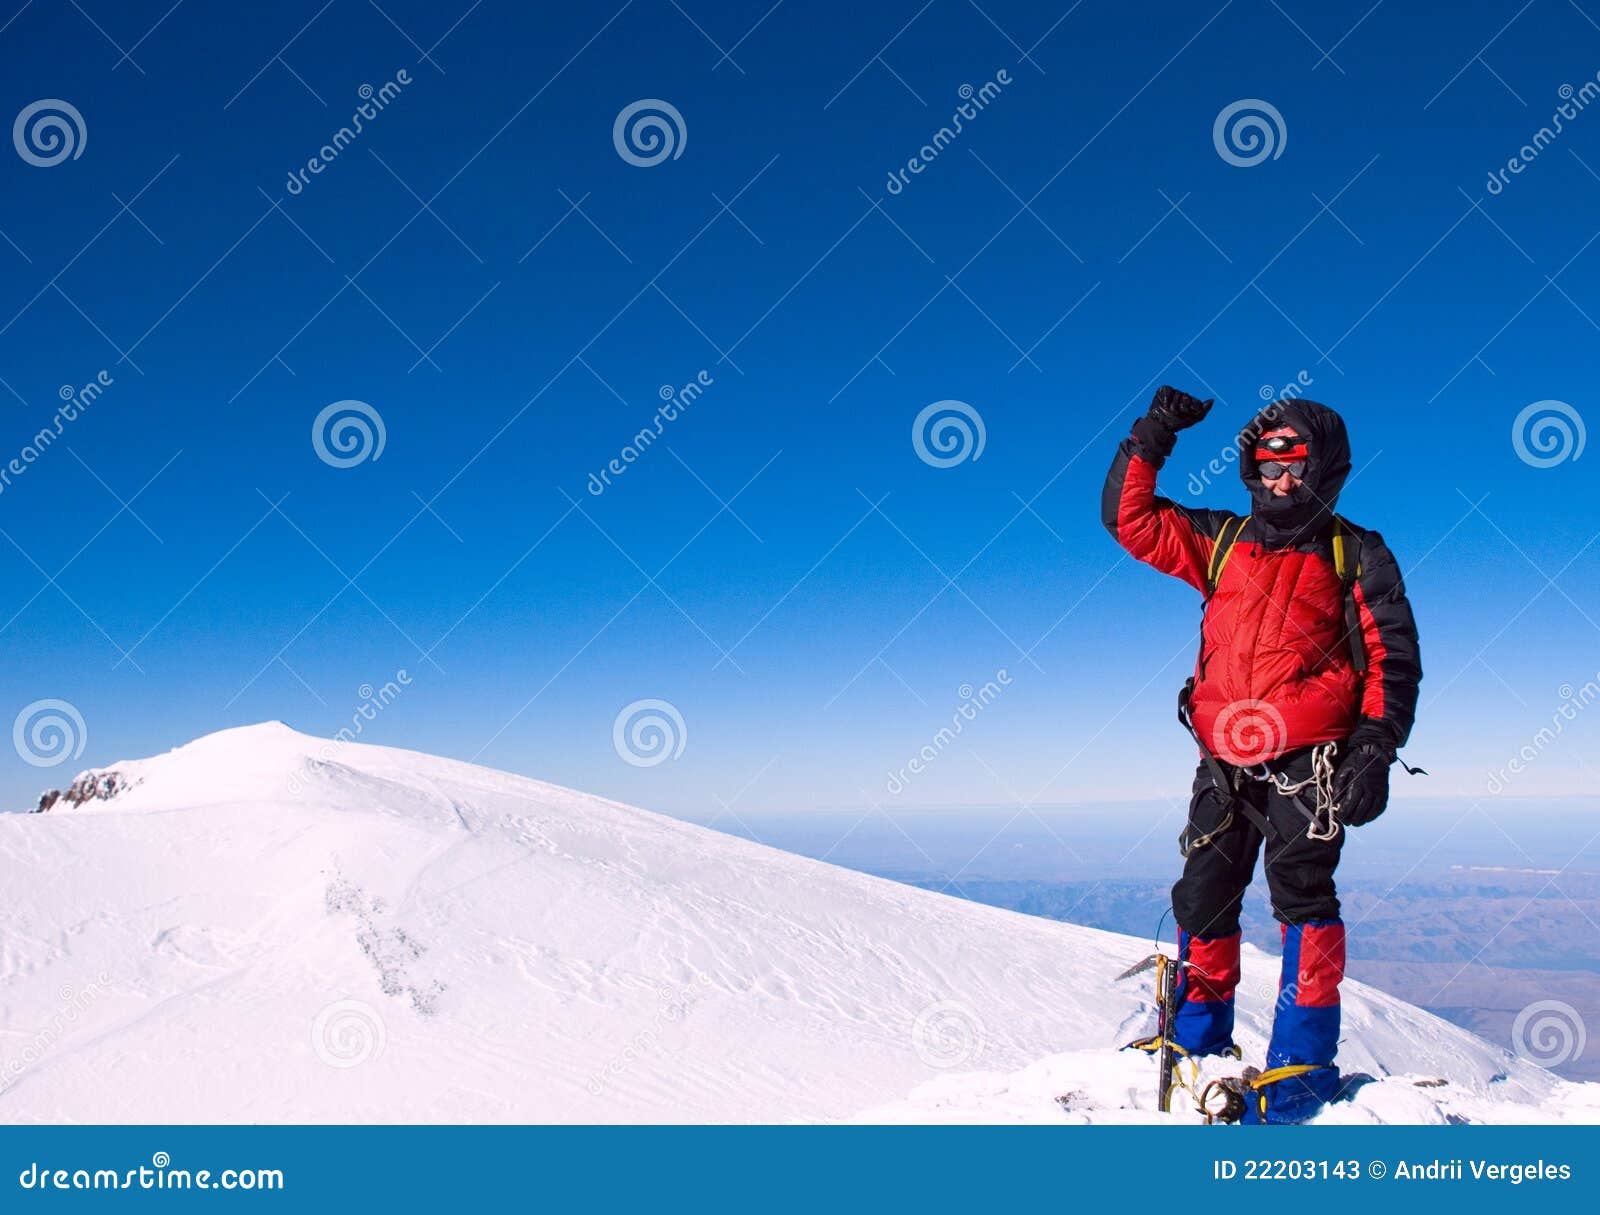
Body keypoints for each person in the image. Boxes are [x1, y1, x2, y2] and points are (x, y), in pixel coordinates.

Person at [1101, 386, 1421, 1124]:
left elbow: (1390, 657)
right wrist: (1152, 436)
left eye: (1296, 465)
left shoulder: (1356, 552)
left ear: (1326, 470)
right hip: (1221, 762)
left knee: (1301, 899)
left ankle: (1301, 1070)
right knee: (1204, 895)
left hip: (1310, 767)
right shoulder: (1221, 540)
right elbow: (1131, 519)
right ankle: (1196, 1042)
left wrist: (1374, 747)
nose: (1280, 479)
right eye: (1268, 463)